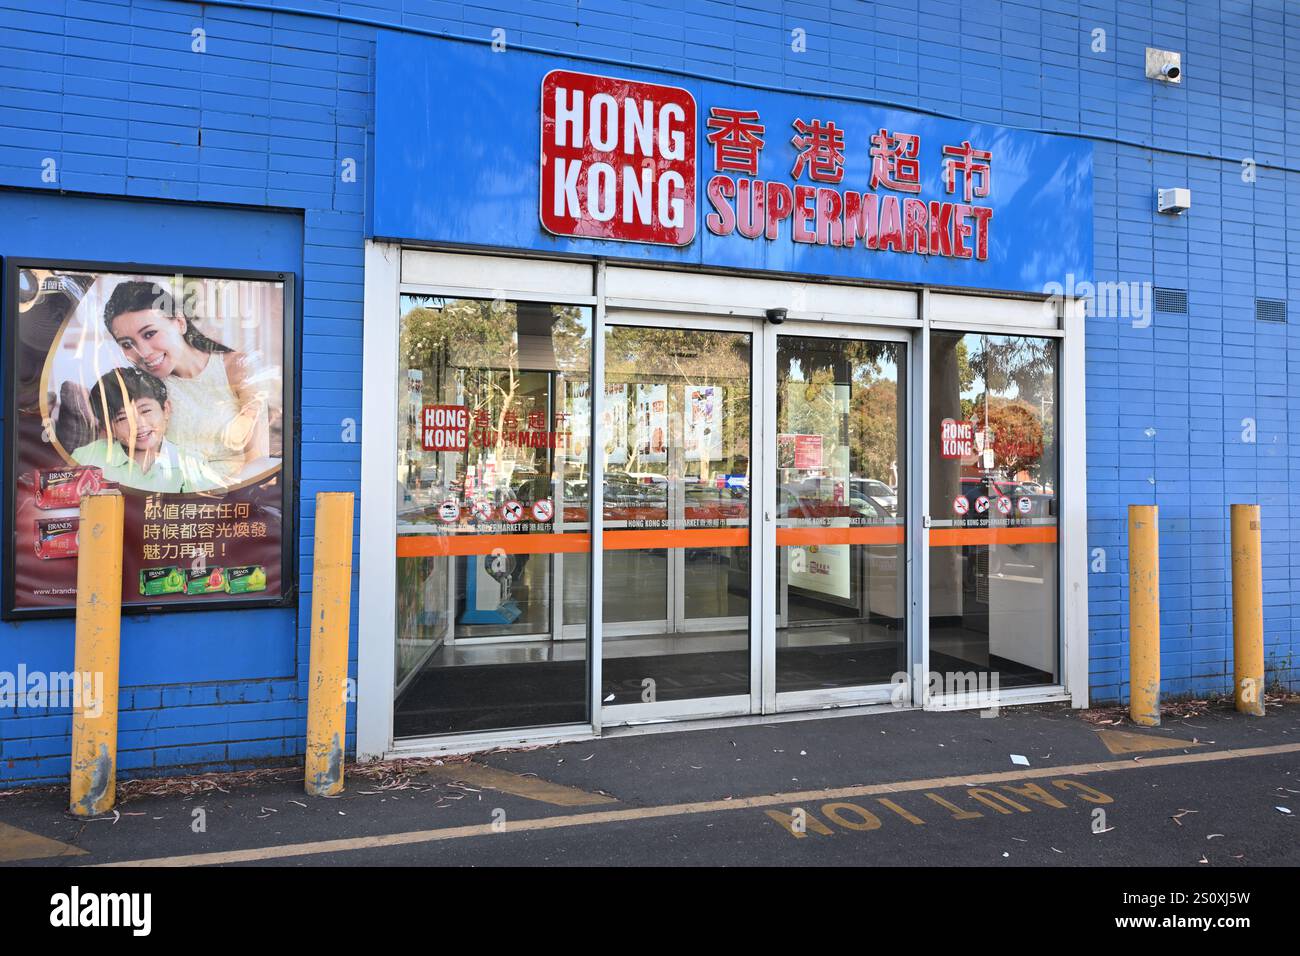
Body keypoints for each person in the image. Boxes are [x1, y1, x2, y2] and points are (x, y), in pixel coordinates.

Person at [101, 280, 272, 490]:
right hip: (166, 503)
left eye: (149, 333)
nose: (143, 353)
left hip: (235, 501)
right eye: (127, 344)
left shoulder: (236, 368)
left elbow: (261, 462)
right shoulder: (139, 389)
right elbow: (111, 453)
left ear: (180, 322)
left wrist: (214, 498)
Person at [71, 367, 199, 493]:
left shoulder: (189, 462)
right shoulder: (85, 458)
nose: (138, 424)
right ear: (107, 427)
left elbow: (203, 509)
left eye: (146, 410)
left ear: (165, 409)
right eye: (122, 418)